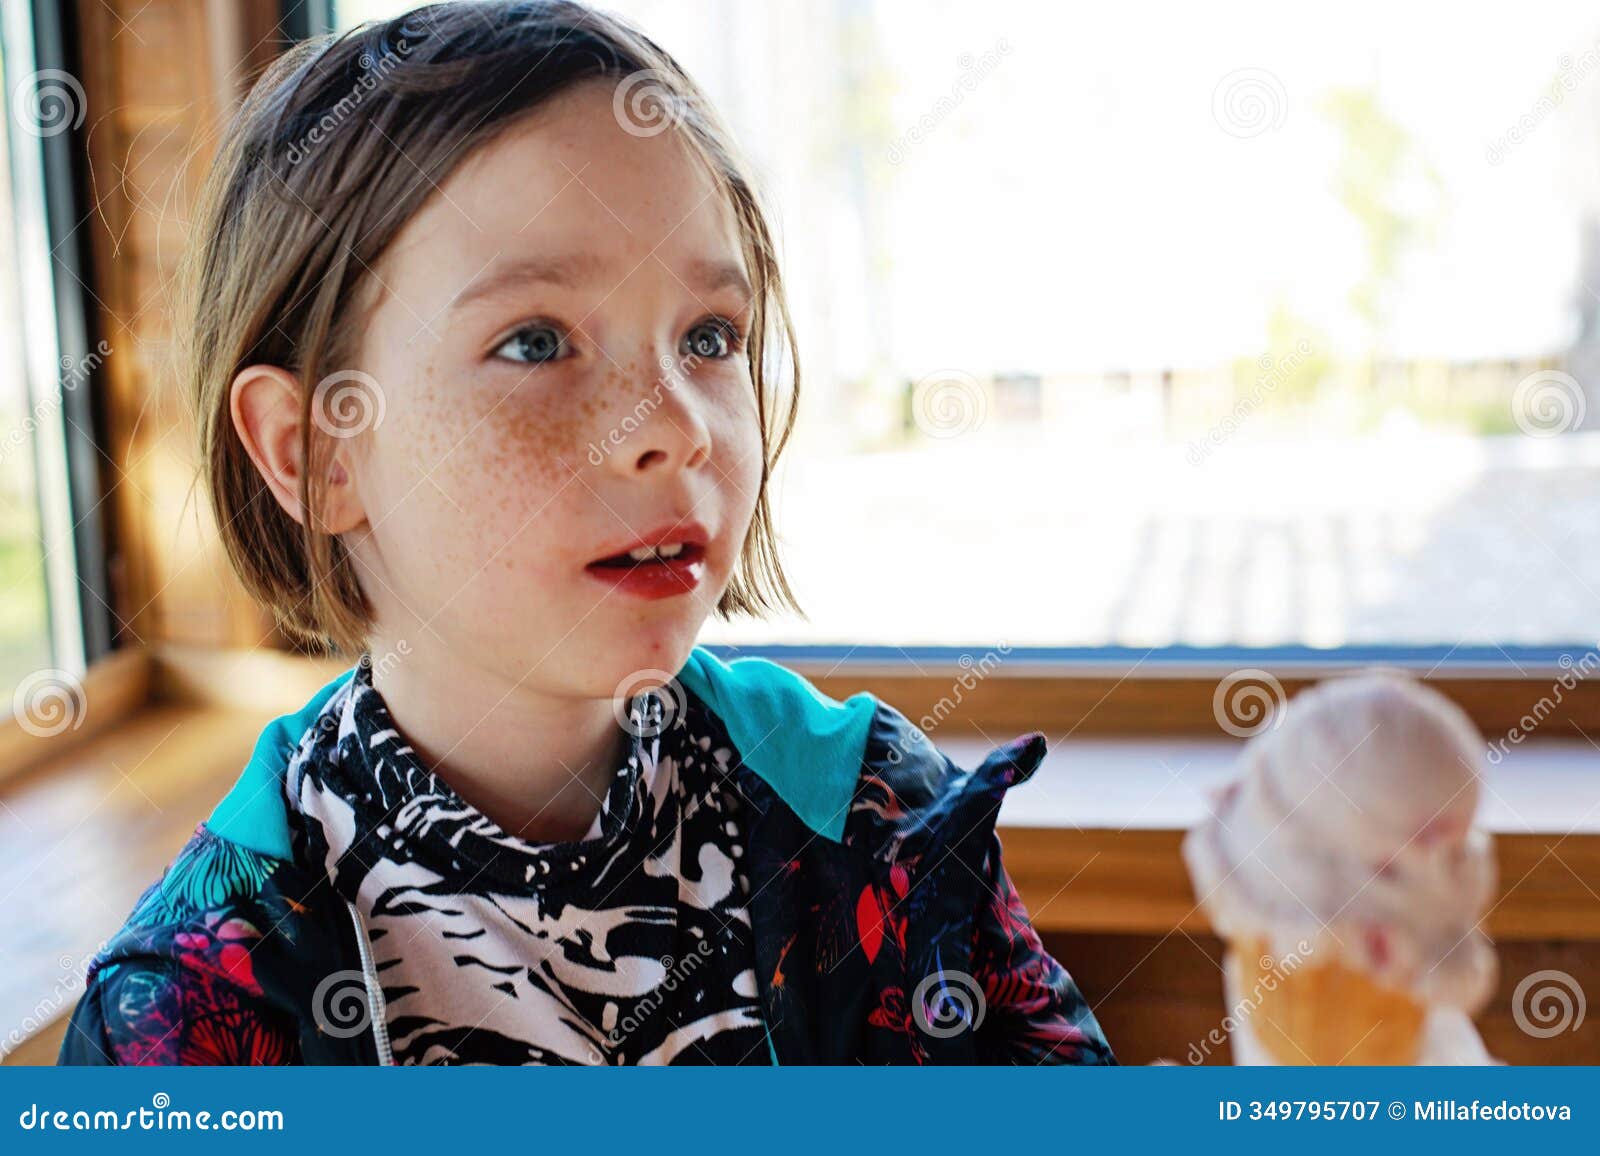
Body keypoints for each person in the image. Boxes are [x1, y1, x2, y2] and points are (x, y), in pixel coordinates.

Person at [57, 0, 1114, 1067]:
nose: (673, 425)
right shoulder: (193, 1009)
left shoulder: (873, 822)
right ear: (313, 453)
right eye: (535, 341)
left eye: (708, 335)